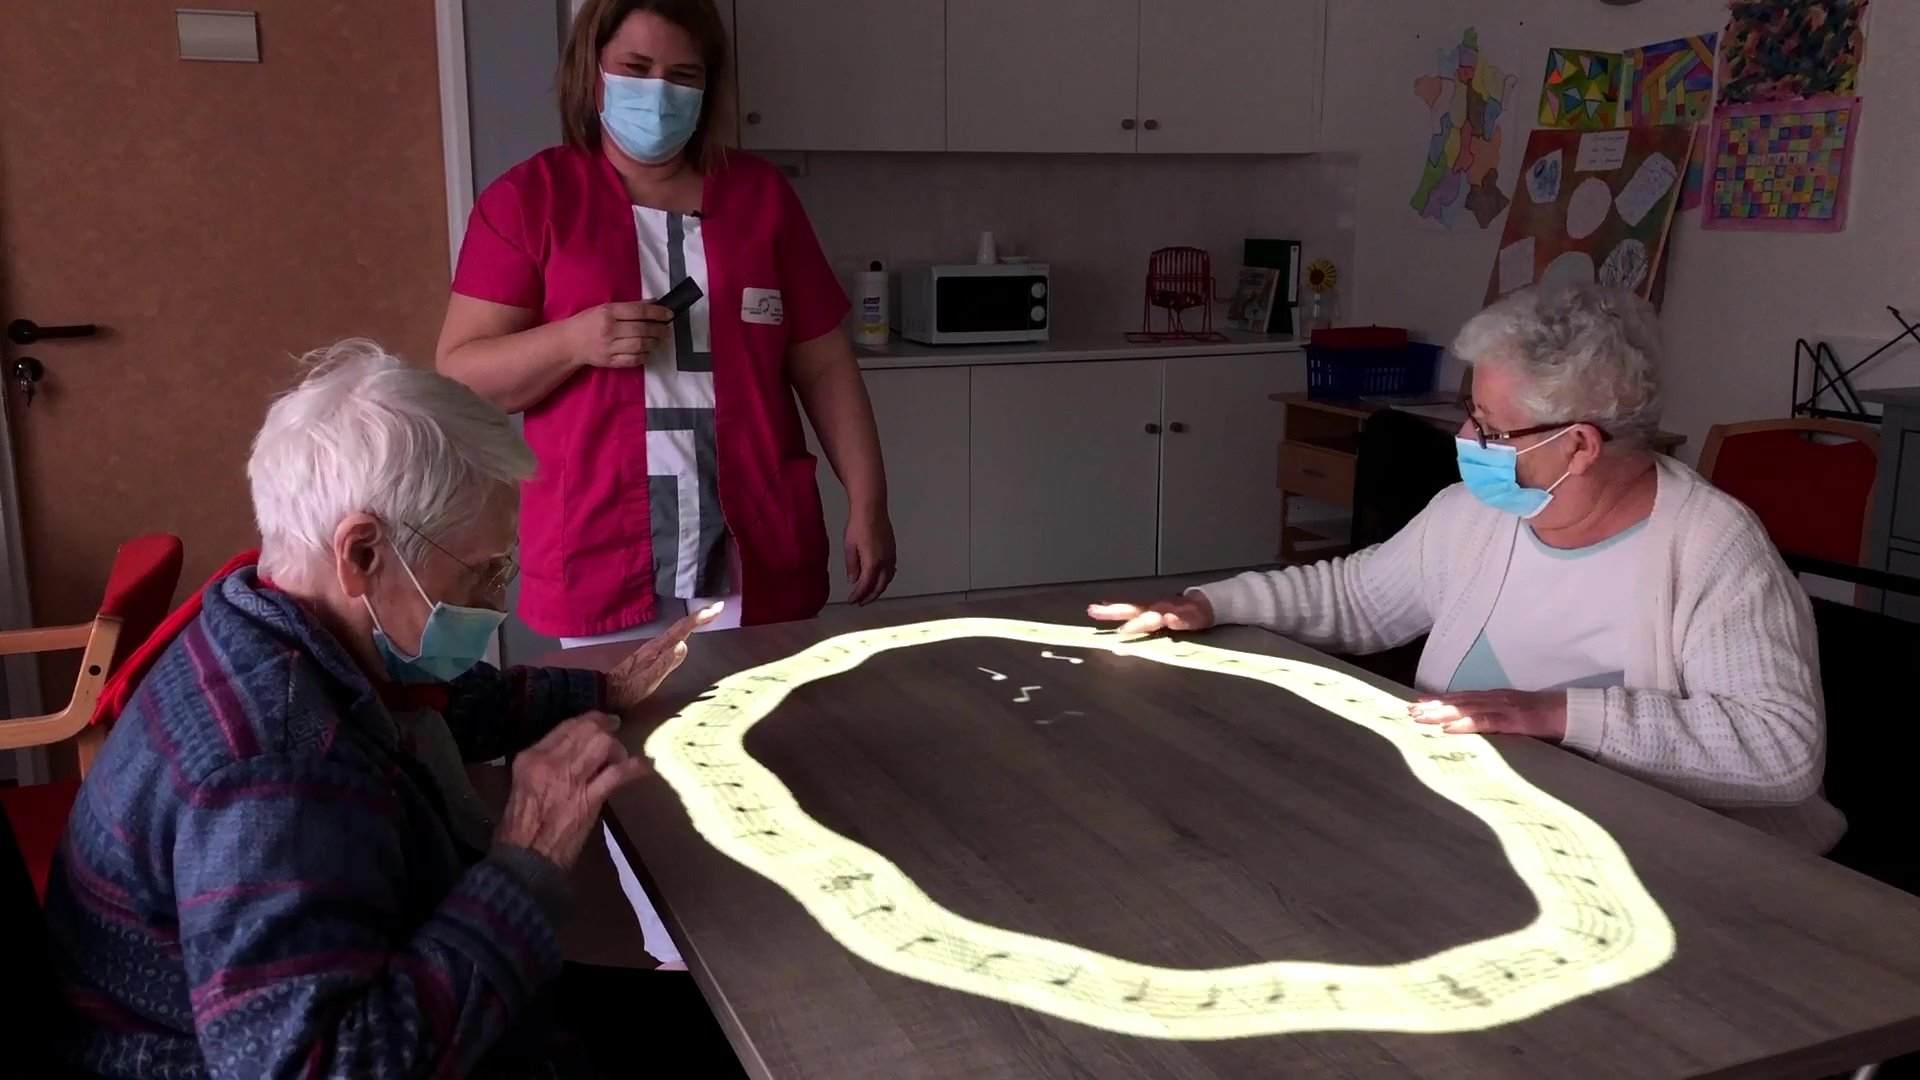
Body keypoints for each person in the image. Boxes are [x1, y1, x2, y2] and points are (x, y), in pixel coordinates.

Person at [42, 342, 744, 1078]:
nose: (493, 604)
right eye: (479, 573)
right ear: (364, 554)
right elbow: (325, 1066)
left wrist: (596, 691)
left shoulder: (272, 614)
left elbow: (426, 704)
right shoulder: (275, 768)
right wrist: (527, 863)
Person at [1093, 283, 1843, 855]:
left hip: (1686, 868)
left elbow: (1779, 753)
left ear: (1580, 445)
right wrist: (1206, 603)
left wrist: (1553, 715)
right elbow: (1356, 598)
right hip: (1487, 833)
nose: (1464, 434)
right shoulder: (1478, 513)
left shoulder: (1714, 547)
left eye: (1488, 424)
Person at [437, 0, 894, 655]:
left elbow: (824, 365)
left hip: (756, 539)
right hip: (603, 545)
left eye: (683, 74)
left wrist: (870, 501)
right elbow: (460, 375)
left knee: (775, 736)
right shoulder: (530, 201)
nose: (658, 92)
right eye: (636, 67)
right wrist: (572, 342)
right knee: (619, 742)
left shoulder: (762, 199)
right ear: (591, 73)